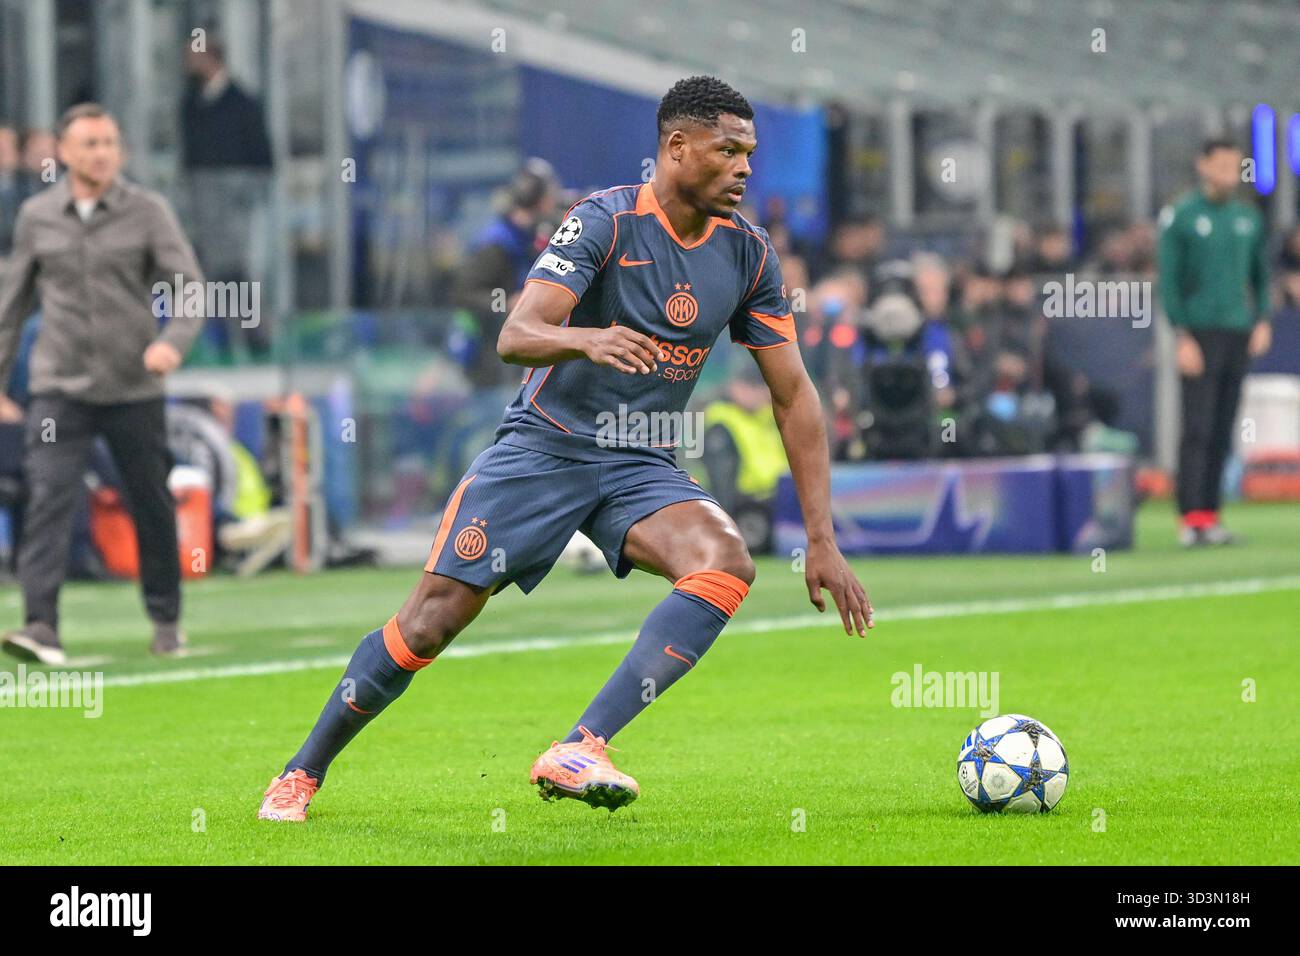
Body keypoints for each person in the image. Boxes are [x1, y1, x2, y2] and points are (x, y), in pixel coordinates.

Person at [257, 76, 873, 822]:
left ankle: (582, 745)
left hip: (640, 460)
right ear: (677, 149)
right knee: (429, 623)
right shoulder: (603, 222)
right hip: (544, 450)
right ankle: (301, 772)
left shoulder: (747, 254)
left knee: (725, 562)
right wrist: (587, 337)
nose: (745, 168)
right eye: (729, 151)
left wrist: (821, 538)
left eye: (750, 153)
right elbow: (516, 334)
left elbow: (794, 394)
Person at [0, 103, 205, 664]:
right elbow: (10, 307)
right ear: (63, 153)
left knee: (150, 502)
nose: (101, 153)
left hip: (133, 388)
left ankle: (166, 618)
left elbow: (189, 286)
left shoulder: (147, 211)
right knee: (46, 497)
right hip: (58, 387)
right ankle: (41, 625)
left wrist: (172, 343)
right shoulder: (37, 216)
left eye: (110, 143)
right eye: (89, 144)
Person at [1157, 138, 1272, 546]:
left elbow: (1261, 275)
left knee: (1224, 425)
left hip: (1237, 330)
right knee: (1197, 426)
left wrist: (1261, 319)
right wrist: (1181, 334)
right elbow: (1168, 282)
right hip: (1200, 331)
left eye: (1234, 166)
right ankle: (1190, 517)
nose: (1228, 173)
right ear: (1203, 165)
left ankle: (1212, 513)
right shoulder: (1182, 216)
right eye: (1221, 165)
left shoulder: (1247, 218)